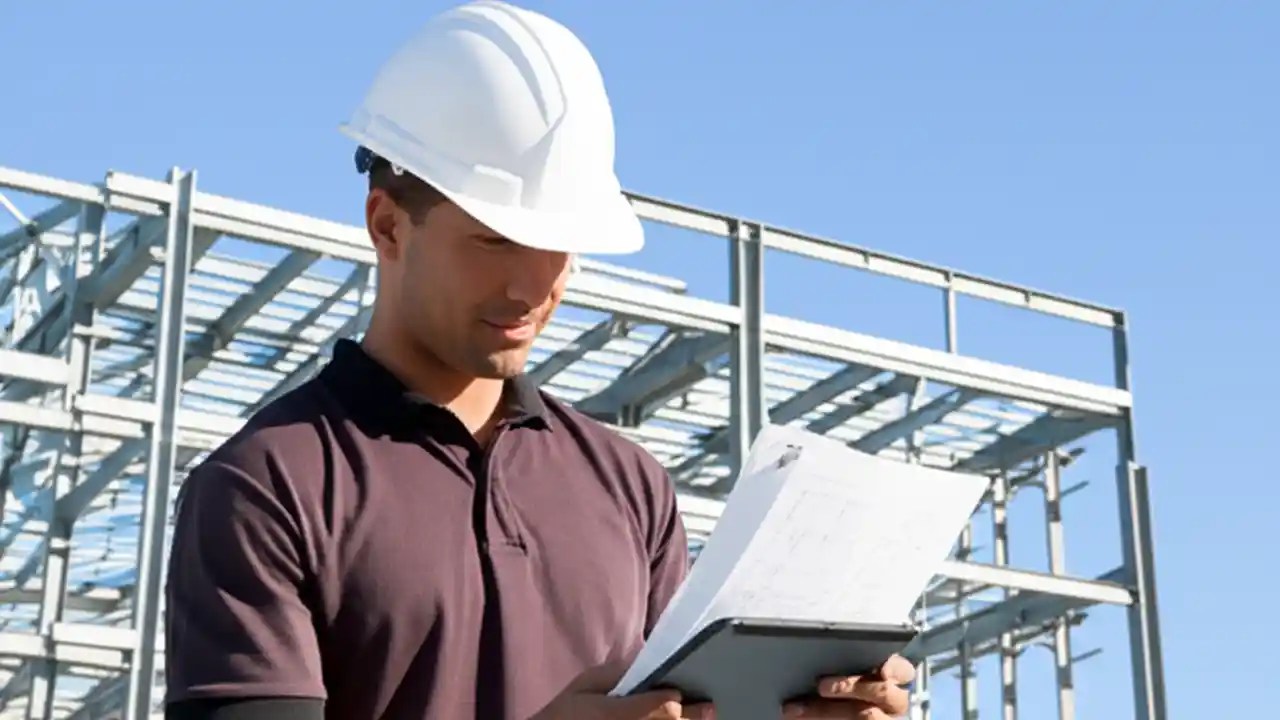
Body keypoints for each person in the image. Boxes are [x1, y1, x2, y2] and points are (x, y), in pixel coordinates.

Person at [162, 2, 915, 719]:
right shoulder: (267, 487)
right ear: (387, 224)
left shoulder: (629, 489)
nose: (532, 286)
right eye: (494, 241)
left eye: (558, 245)